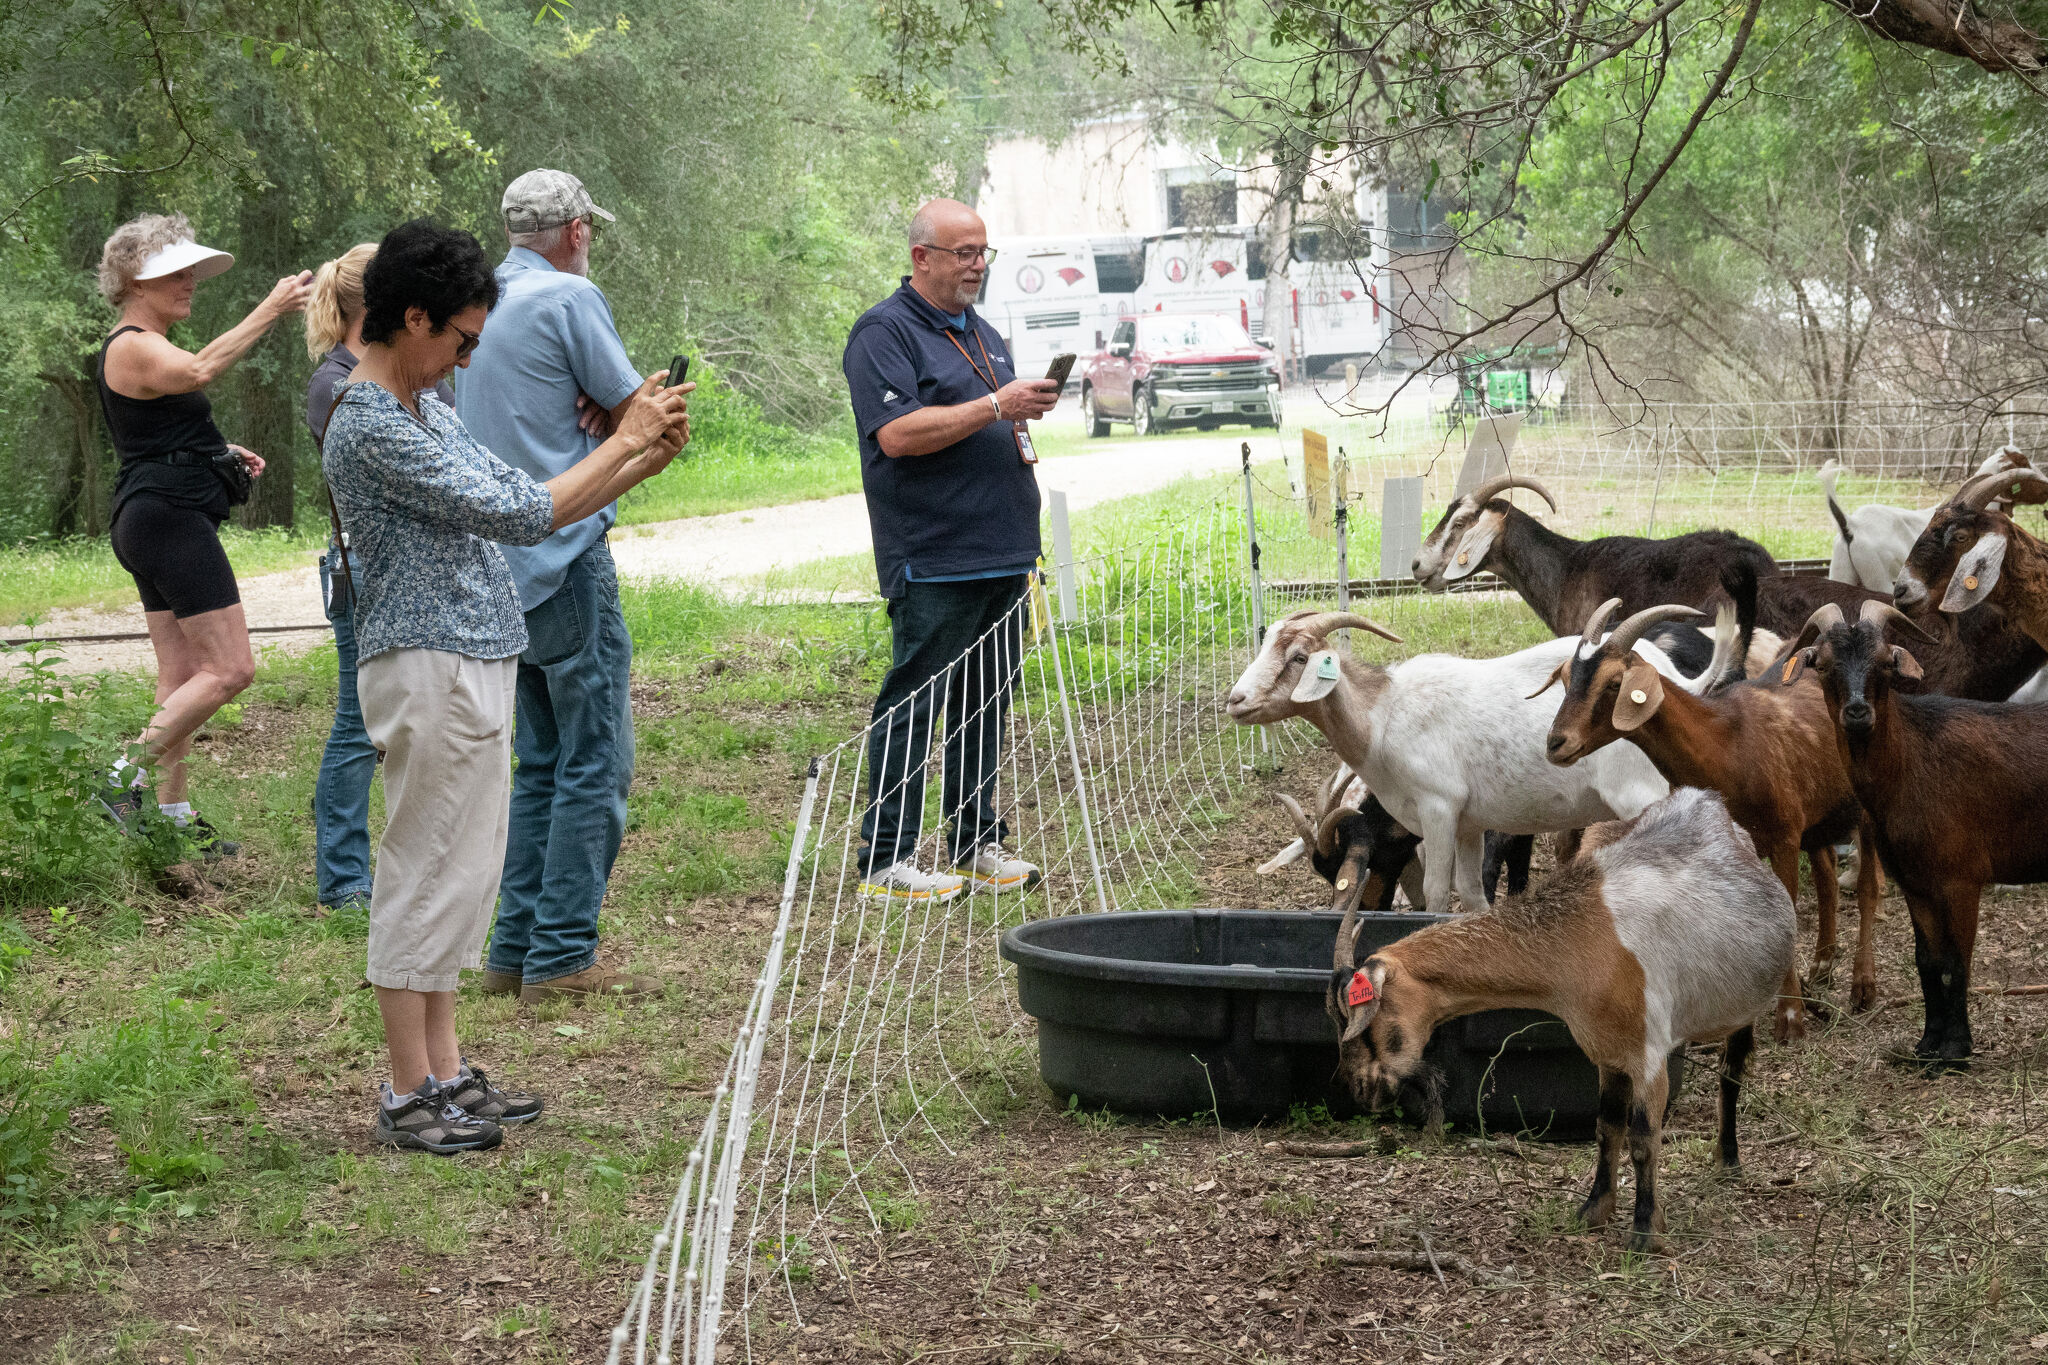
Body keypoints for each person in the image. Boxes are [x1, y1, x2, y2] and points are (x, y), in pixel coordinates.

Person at [322, 218, 689, 1154]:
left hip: (472, 658)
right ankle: (409, 1091)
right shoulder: (367, 427)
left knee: (465, 874)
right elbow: (525, 511)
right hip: (428, 667)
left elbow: (529, 489)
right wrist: (626, 441)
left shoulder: (425, 410)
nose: (463, 362)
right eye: (459, 340)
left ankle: (444, 1072)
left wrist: (639, 455)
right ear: (411, 318)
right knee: (422, 871)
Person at [456, 169, 663, 1004]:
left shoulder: (475, 308)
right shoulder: (571, 302)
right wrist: (612, 401)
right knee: (596, 760)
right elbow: (644, 417)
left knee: (538, 760)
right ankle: (565, 954)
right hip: (565, 554)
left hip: (494, 568)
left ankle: (512, 953)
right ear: (577, 230)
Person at [840, 199, 1061, 903]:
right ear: (921, 257)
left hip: (1004, 554)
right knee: (917, 698)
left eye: (983, 253)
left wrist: (1018, 406)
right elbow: (898, 434)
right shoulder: (884, 332)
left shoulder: (985, 333)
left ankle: (973, 842)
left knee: (985, 702)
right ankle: (887, 858)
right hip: (934, 555)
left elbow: (998, 423)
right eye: (963, 252)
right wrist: (998, 406)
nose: (976, 266)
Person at [94, 213, 313, 856]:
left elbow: (153, 431)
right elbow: (196, 373)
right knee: (233, 668)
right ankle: (115, 779)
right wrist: (271, 307)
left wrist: (215, 451)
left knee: (183, 673)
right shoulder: (133, 342)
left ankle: (173, 820)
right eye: (174, 272)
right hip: (166, 520)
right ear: (134, 278)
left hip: (151, 515)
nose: (190, 281)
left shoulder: (142, 344)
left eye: (192, 269)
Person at [302, 244, 457, 915]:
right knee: (358, 723)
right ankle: (342, 878)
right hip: (366, 565)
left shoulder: (412, 371)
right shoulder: (339, 381)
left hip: (415, 564)